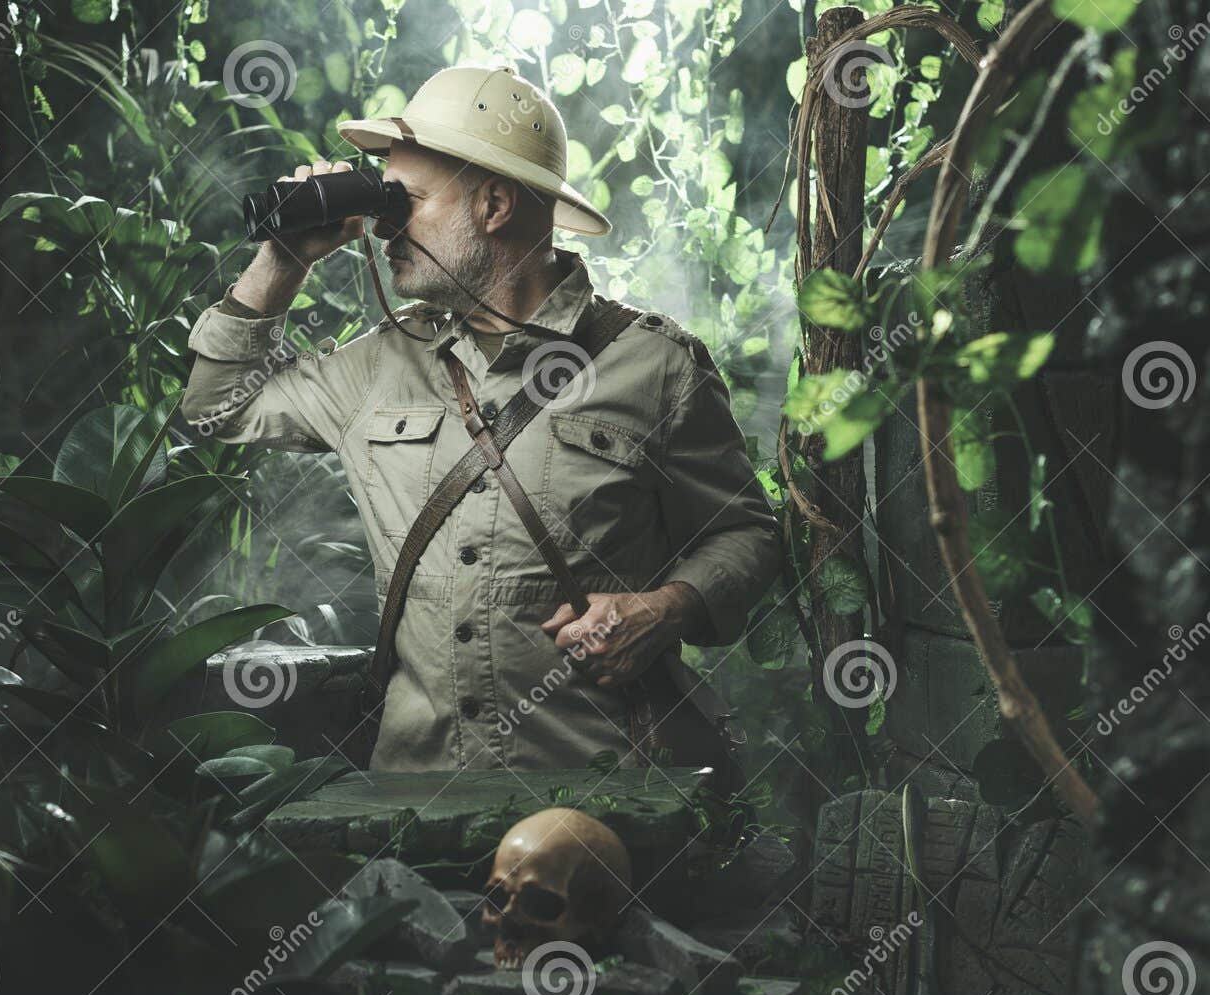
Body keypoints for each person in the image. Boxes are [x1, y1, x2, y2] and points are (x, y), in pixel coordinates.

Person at [183, 63, 780, 771]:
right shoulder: (378, 364)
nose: (383, 227)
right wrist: (283, 259)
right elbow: (218, 407)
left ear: (494, 205)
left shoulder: (654, 365)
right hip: (413, 792)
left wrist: (665, 608)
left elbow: (746, 533)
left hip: (598, 796)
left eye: (404, 201)